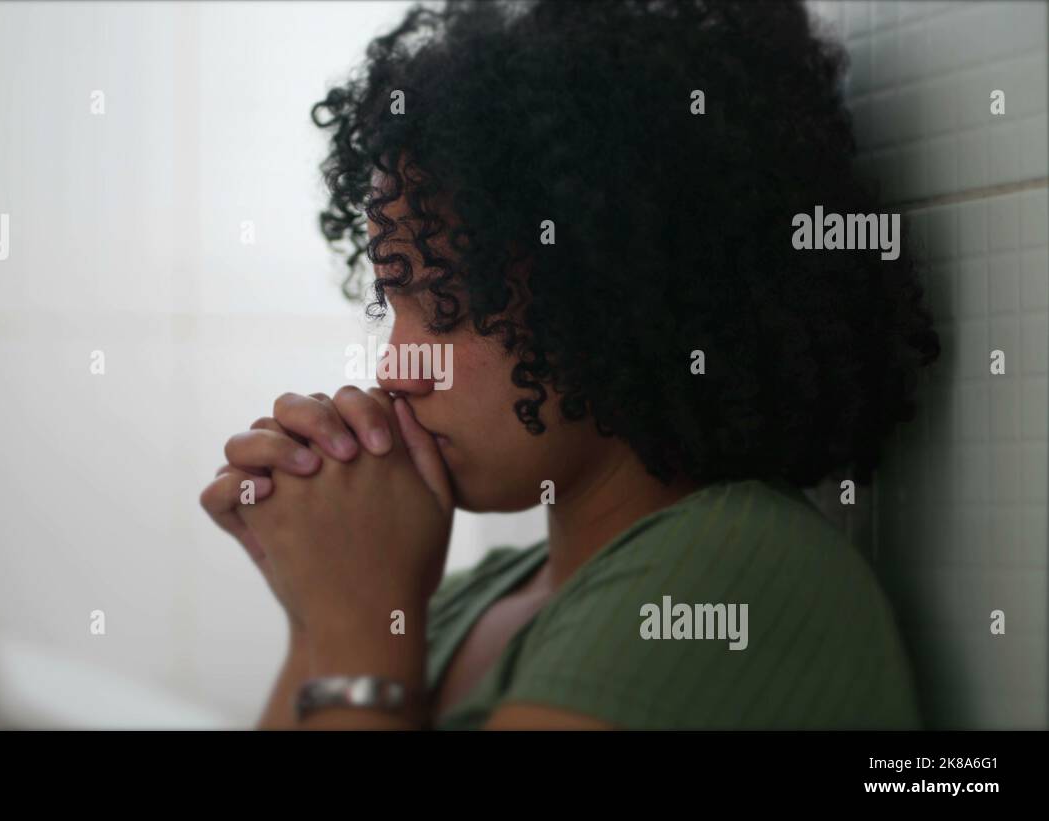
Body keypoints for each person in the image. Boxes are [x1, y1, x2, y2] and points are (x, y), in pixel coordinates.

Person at [199, 0, 939, 730]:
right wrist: (319, 606)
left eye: (451, 303)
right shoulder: (463, 599)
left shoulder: (729, 577)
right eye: (395, 302)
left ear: (618, 293)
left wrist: (356, 627)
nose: (396, 368)